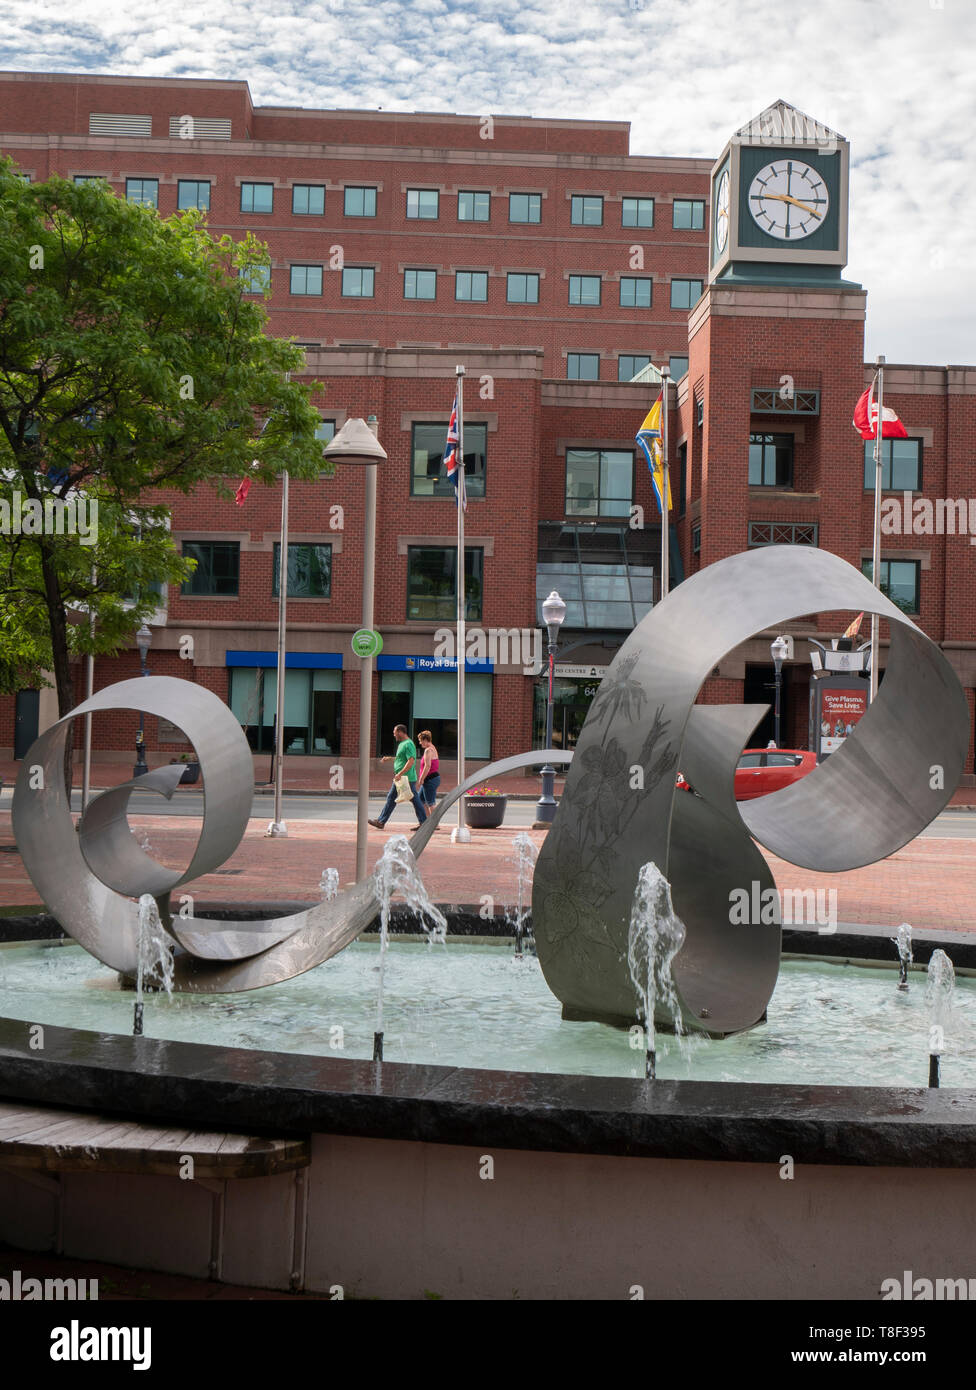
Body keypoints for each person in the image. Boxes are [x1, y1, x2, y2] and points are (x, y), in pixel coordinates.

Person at [368, 723, 427, 829]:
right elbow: (401, 759)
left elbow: (411, 761)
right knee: (400, 798)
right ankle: (423, 822)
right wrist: (390, 759)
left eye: (395, 733)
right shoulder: (402, 744)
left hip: (405, 778)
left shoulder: (408, 744)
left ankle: (381, 821)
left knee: (402, 798)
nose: (394, 735)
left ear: (400, 732)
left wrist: (400, 773)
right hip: (402, 778)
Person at [416, 730, 440, 819]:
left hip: (430, 779)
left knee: (430, 802)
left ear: (425, 740)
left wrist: (421, 779)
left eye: (420, 740)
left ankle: (434, 823)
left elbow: (428, 766)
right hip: (431, 778)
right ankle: (427, 821)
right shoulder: (433, 748)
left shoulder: (428, 750)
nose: (420, 743)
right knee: (420, 799)